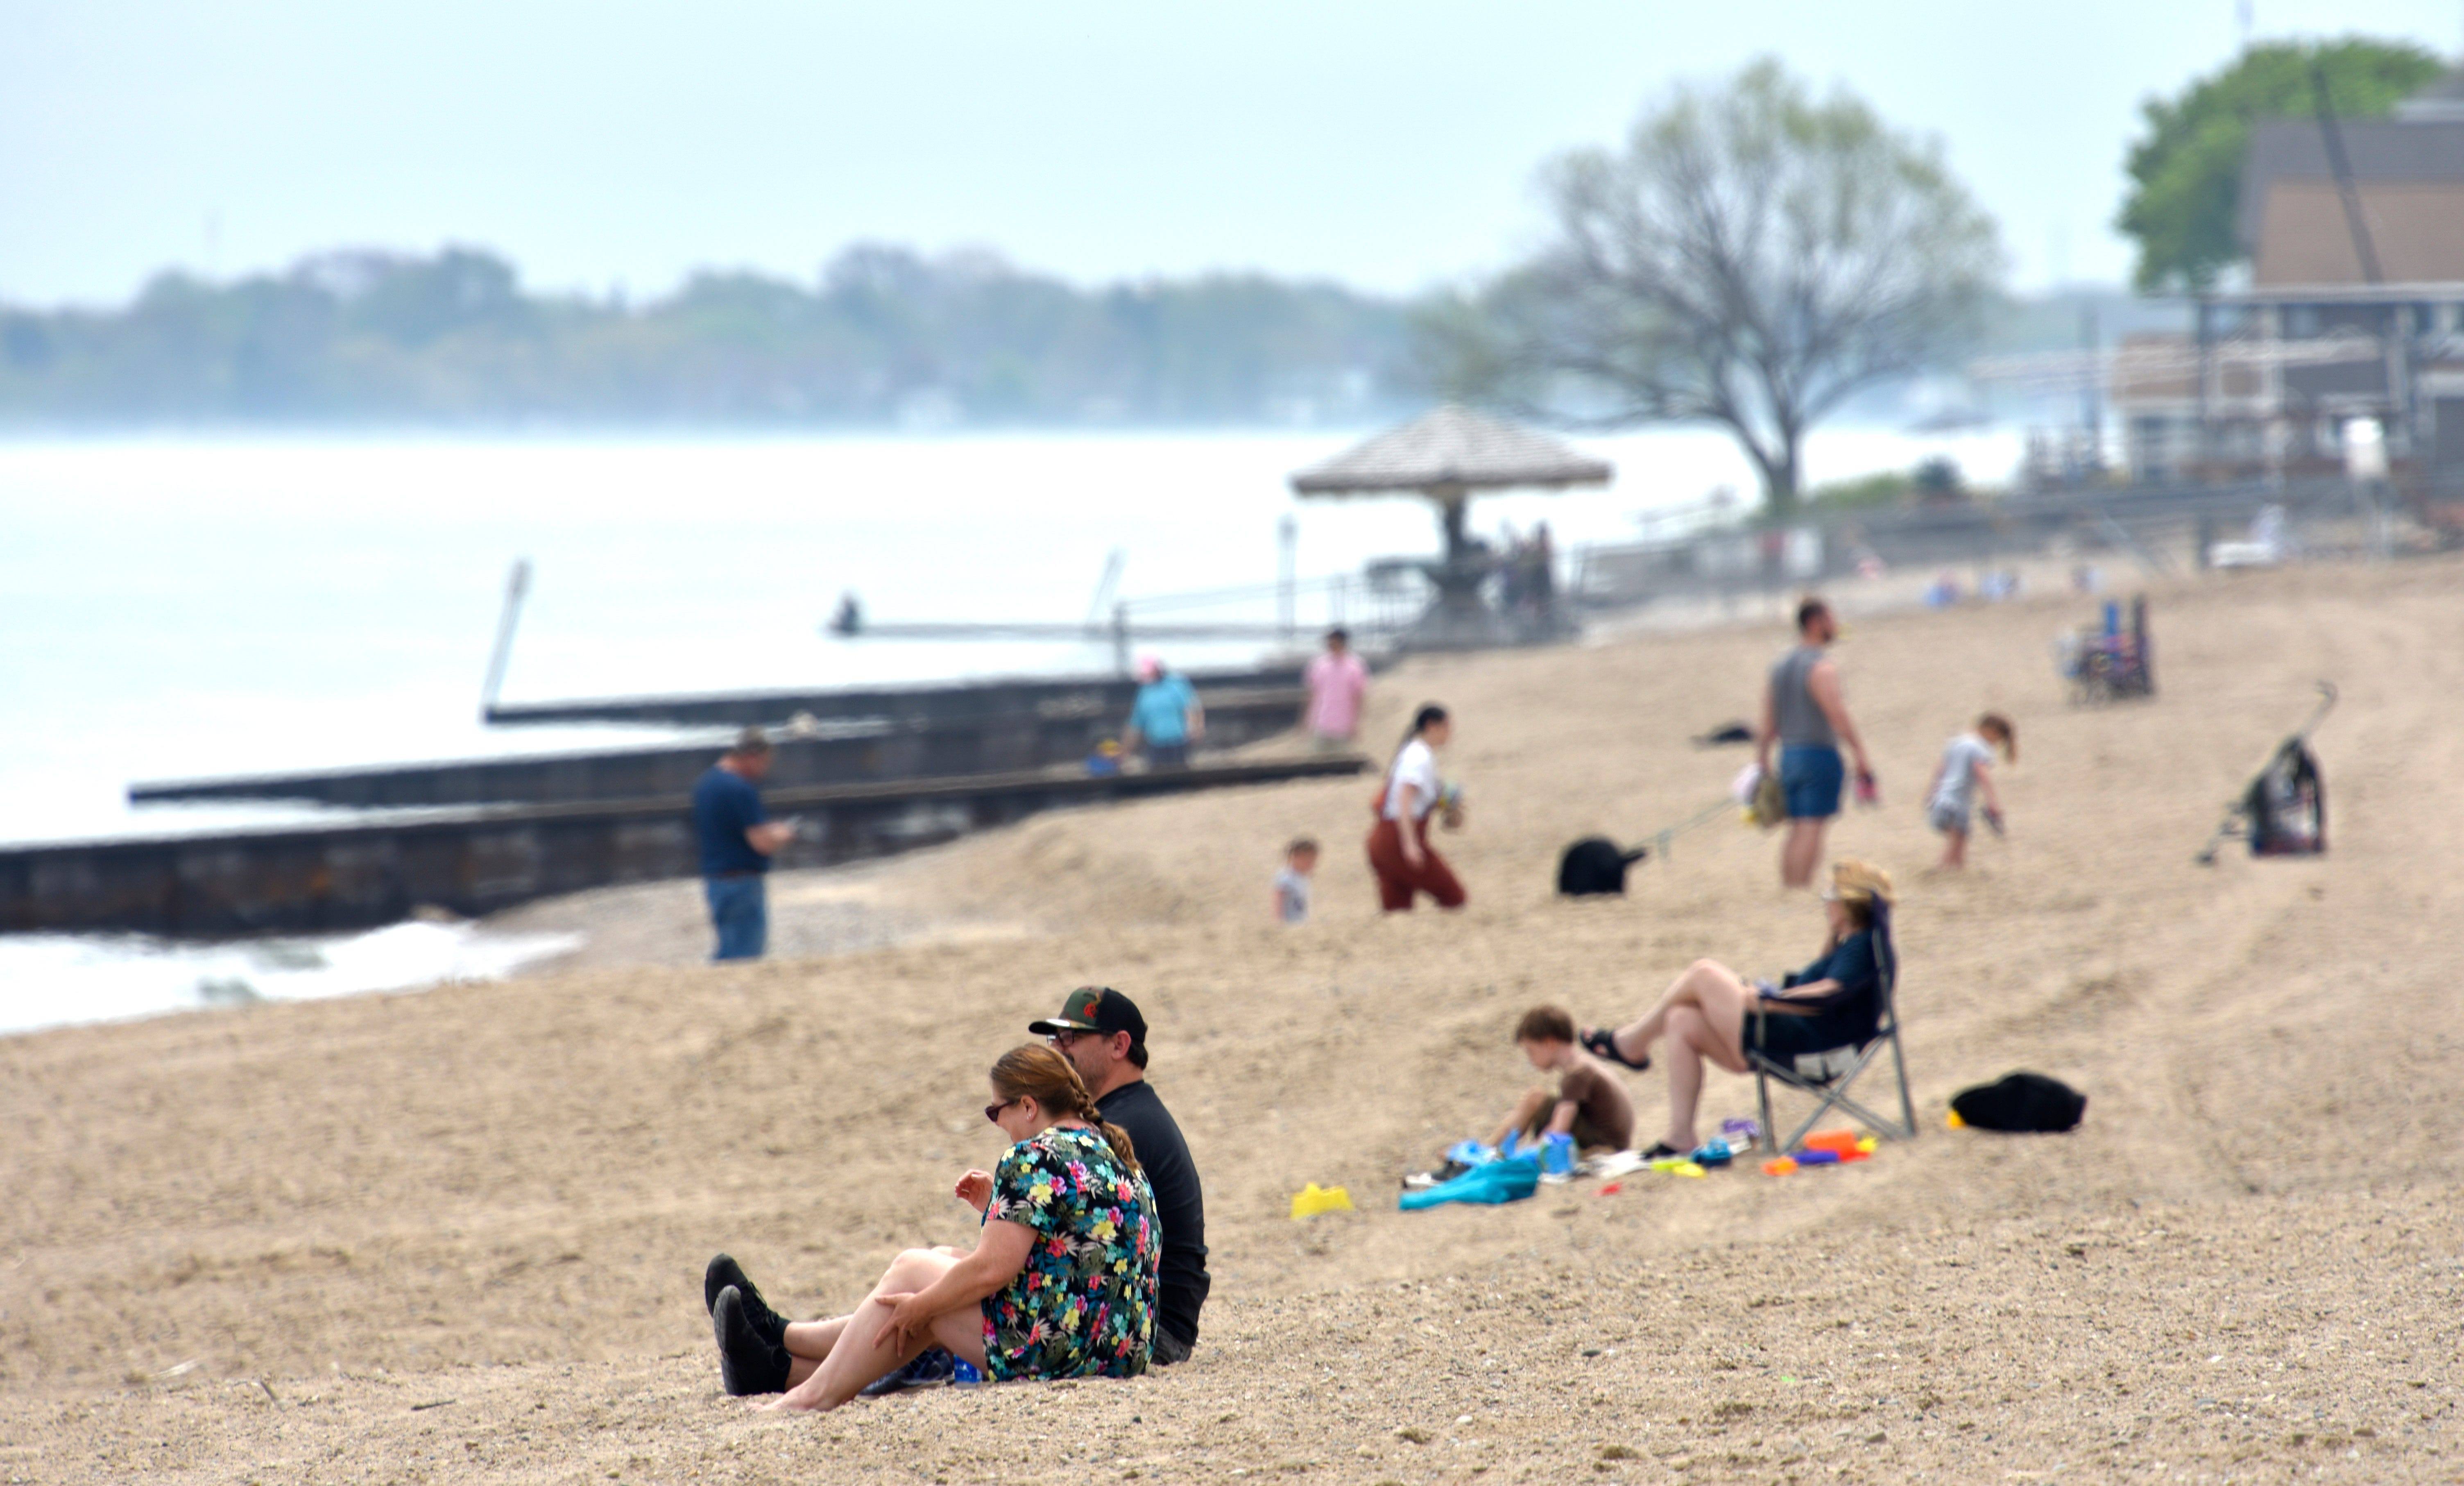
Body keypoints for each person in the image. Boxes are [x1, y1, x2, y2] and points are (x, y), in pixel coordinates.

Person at [704, 1044, 1159, 1408]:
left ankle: (808, 1393)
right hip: (1120, 1342)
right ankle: (782, 1339)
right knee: (942, 1261)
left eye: (994, 1112)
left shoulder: (1036, 1154)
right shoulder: (1112, 1150)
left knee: (912, 1271)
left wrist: (921, 1306)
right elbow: (1070, 1252)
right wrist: (994, 1209)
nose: (996, 1124)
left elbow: (993, 1271)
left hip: (1068, 1347)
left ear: (1026, 1105)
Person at [1581, 860, 1895, 1157]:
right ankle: (1680, 1135)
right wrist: (1832, 932)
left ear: (1849, 902)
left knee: (1704, 972)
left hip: (1809, 1044)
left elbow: (1830, 992)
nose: (1825, 901)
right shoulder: (1857, 942)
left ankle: (1631, 1043)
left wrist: (1770, 1001)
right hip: (1801, 1036)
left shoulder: (1863, 944)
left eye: (1830, 895)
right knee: (1681, 1019)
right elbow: (1830, 986)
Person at [1030, 986, 1211, 1364]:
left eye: (1072, 1038)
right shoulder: (1130, 1115)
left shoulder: (1123, 1128)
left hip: (1151, 1332)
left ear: (1119, 1045)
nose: (1058, 1049)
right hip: (1147, 1322)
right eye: (1056, 1038)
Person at [1755, 599, 1876, 890]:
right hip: (1817, 754)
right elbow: (1837, 713)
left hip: (1790, 755)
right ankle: (1799, 887)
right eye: (1831, 619)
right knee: (1812, 826)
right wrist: (1860, 754)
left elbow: (1768, 721)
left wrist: (1761, 759)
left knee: (1797, 826)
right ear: (1815, 623)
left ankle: (1790, 885)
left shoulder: (1780, 666)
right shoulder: (1821, 667)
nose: (1835, 626)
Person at [691, 728, 797, 961]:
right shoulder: (739, 789)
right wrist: (781, 834)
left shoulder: (706, 785)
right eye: (764, 762)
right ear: (751, 756)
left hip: (715, 880)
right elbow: (761, 844)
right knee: (745, 957)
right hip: (742, 882)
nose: (764, 770)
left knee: (728, 948)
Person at [1485, 1004, 1635, 1154]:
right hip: (1612, 1140)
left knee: (1535, 1098)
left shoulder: (1576, 1074)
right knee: (1542, 1100)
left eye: (1531, 1052)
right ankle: (1491, 1150)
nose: (1531, 1060)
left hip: (1606, 1147)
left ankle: (1488, 1152)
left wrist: (1527, 1154)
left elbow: (1558, 1131)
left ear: (1550, 1043)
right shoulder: (1584, 1063)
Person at [1366, 703, 1466, 912]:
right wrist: (1410, 845)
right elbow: (1405, 797)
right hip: (1397, 840)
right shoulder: (1418, 756)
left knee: (1397, 911)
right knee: (1454, 896)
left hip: (1380, 842)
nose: (1450, 734)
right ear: (1432, 726)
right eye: (1447, 727)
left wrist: (1445, 802)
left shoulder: (1411, 752)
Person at [1925, 714, 2014, 869]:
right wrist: (1993, 802)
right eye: (1997, 740)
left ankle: (1958, 867)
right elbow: (1982, 774)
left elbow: (1940, 768)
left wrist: (1931, 793)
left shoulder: (1957, 742)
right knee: (1956, 838)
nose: (1995, 745)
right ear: (1991, 731)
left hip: (1943, 798)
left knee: (1961, 836)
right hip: (1958, 801)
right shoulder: (1980, 748)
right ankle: (1942, 868)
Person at [1122, 656, 1203, 769]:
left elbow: (1191, 708)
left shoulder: (1175, 685)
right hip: (1155, 744)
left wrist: (1195, 729)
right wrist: (1126, 751)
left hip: (1177, 742)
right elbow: (1136, 723)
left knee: (1178, 775)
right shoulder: (1144, 692)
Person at [1301, 628, 1370, 749]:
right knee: (1317, 763)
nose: (1331, 646)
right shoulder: (1319, 665)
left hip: (1343, 726)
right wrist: (1307, 720)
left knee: (1341, 764)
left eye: (1334, 643)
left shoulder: (1355, 666)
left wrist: (1356, 724)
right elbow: (1312, 693)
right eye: (1329, 643)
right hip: (1321, 724)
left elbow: (1359, 696)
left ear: (1342, 643)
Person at [1272, 837, 1318, 924]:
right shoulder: (1285, 877)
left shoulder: (1303, 878)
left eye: (1313, 861)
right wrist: (1278, 922)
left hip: (1301, 924)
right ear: (1295, 857)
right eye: (1307, 860)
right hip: (1288, 924)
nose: (1311, 865)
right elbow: (1278, 898)